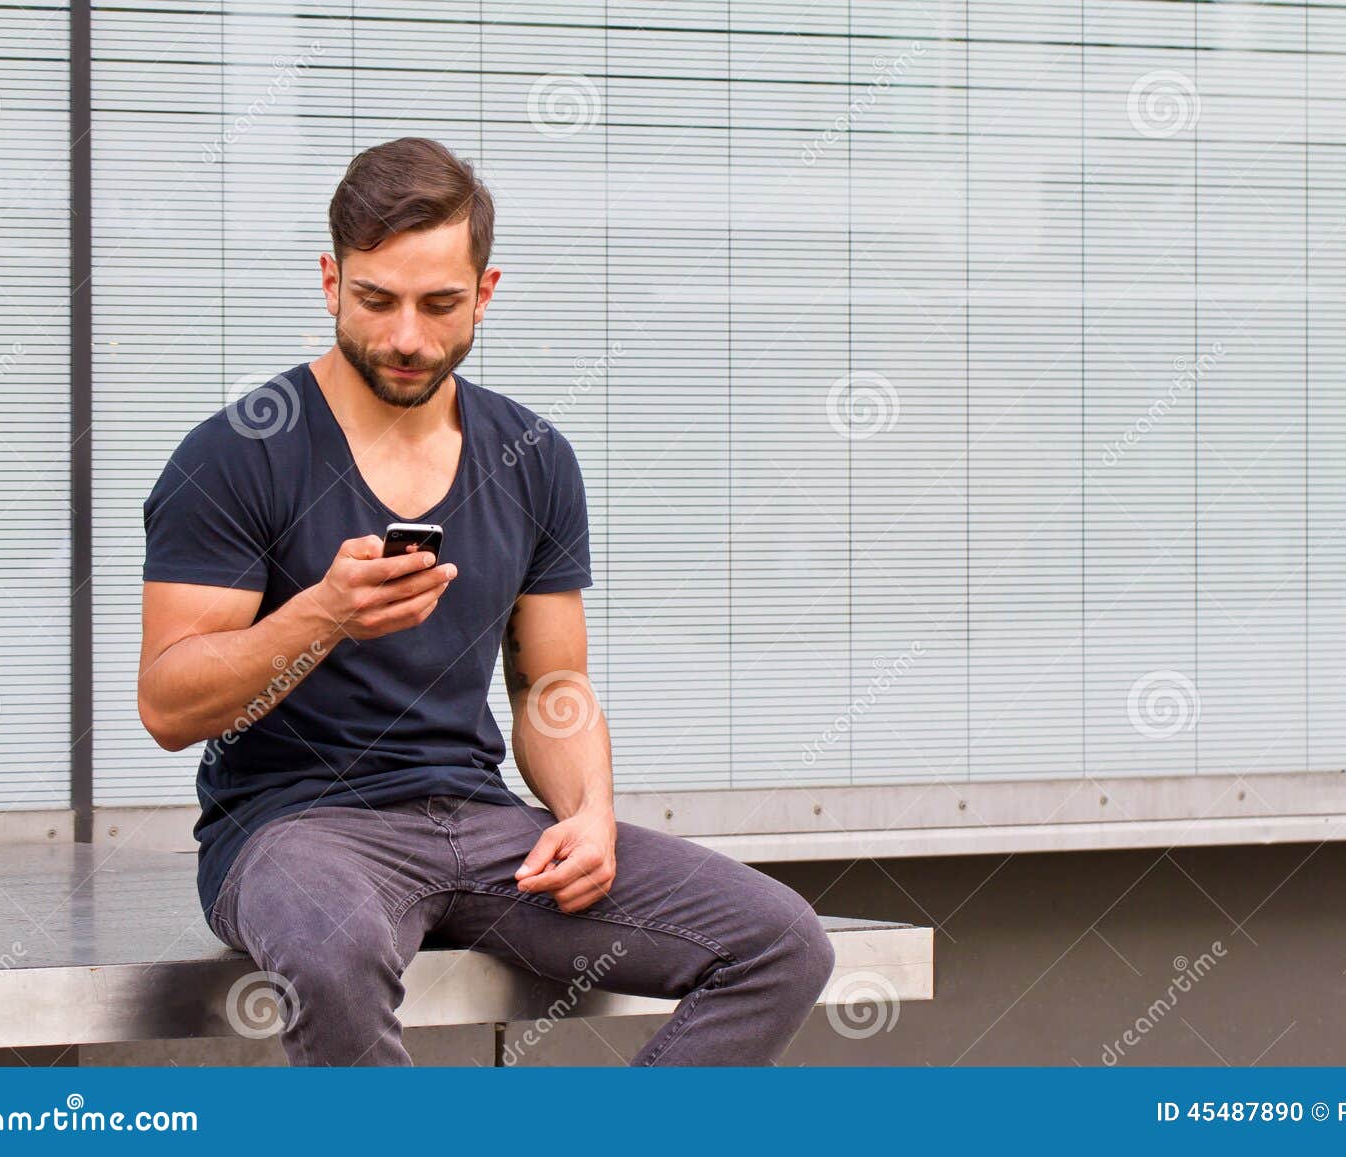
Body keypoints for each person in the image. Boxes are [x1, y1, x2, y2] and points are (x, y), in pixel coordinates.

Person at [136, 136, 835, 1066]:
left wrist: (587, 810)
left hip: (484, 822)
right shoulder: (237, 453)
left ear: (487, 292)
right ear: (329, 280)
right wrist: (322, 613)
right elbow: (169, 705)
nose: (407, 338)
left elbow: (555, 681)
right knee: (335, 949)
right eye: (376, 299)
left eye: (440, 304)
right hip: (296, 830)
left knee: (781, 943)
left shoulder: (532, 455)